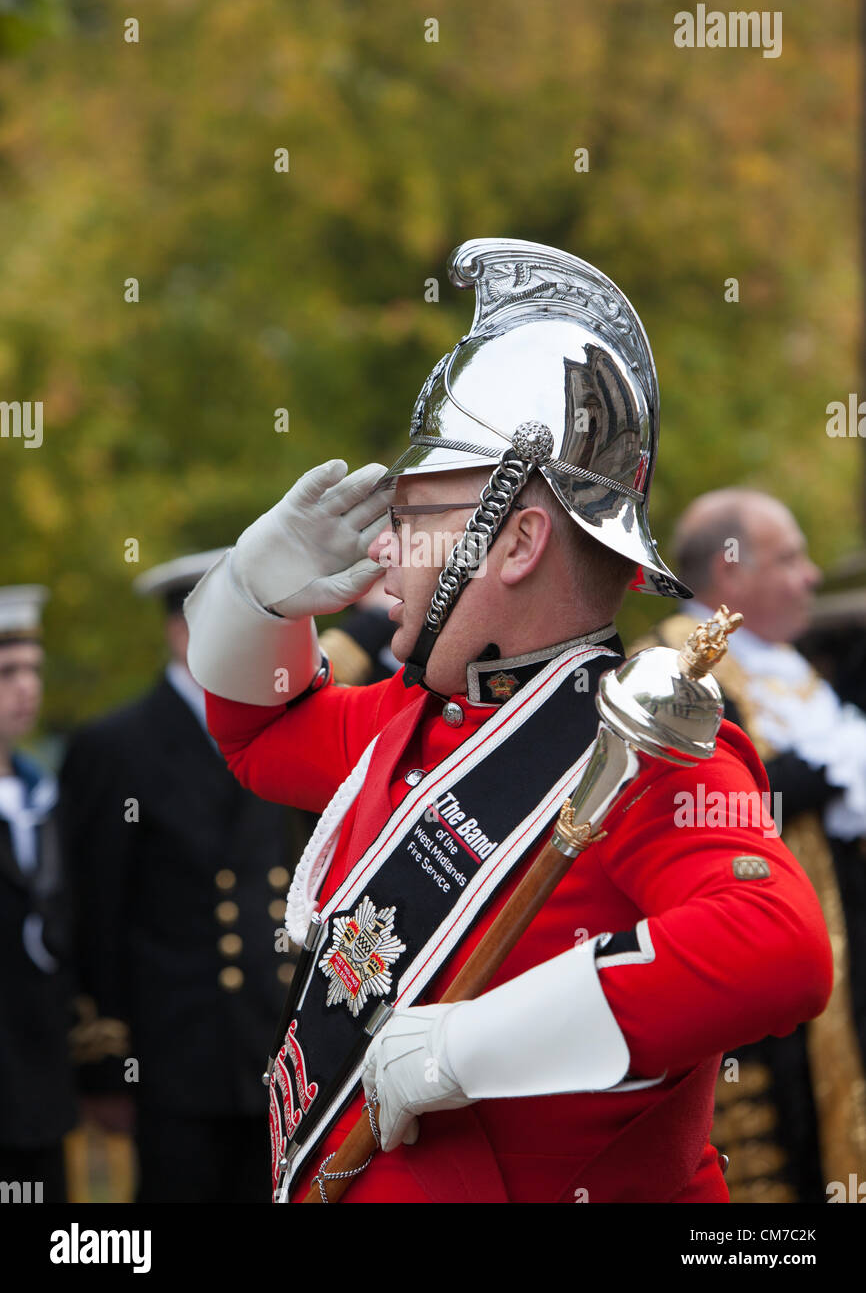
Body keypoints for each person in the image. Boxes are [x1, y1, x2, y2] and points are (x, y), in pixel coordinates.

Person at [185, 237, 832, 1204]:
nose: (384, 550)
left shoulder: (647, 748)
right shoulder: (419, 714)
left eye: (415, 513)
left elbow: (779, 948)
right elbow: (257, 737)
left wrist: (471, 1045)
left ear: (519, 539)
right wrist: (250, 594)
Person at [633, 487, 866, 1202]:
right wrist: (823, 775)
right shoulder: (676, 664)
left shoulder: (793, 667)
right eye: (790, 559)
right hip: (751, 958)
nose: (809, 578)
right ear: (730, 574)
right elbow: (705, 800)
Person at [59, 551, 306, 1203]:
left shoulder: (277, 724)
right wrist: (107, 1069)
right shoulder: (114, 747)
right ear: (181, 629)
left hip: (268, 1046)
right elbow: (95, 915)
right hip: (171, 1055)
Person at [0, 585, 77, 1203]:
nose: (26, 686)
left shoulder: (43, 796)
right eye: (7, 672)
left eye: (33, 670)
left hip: (37, 1091)